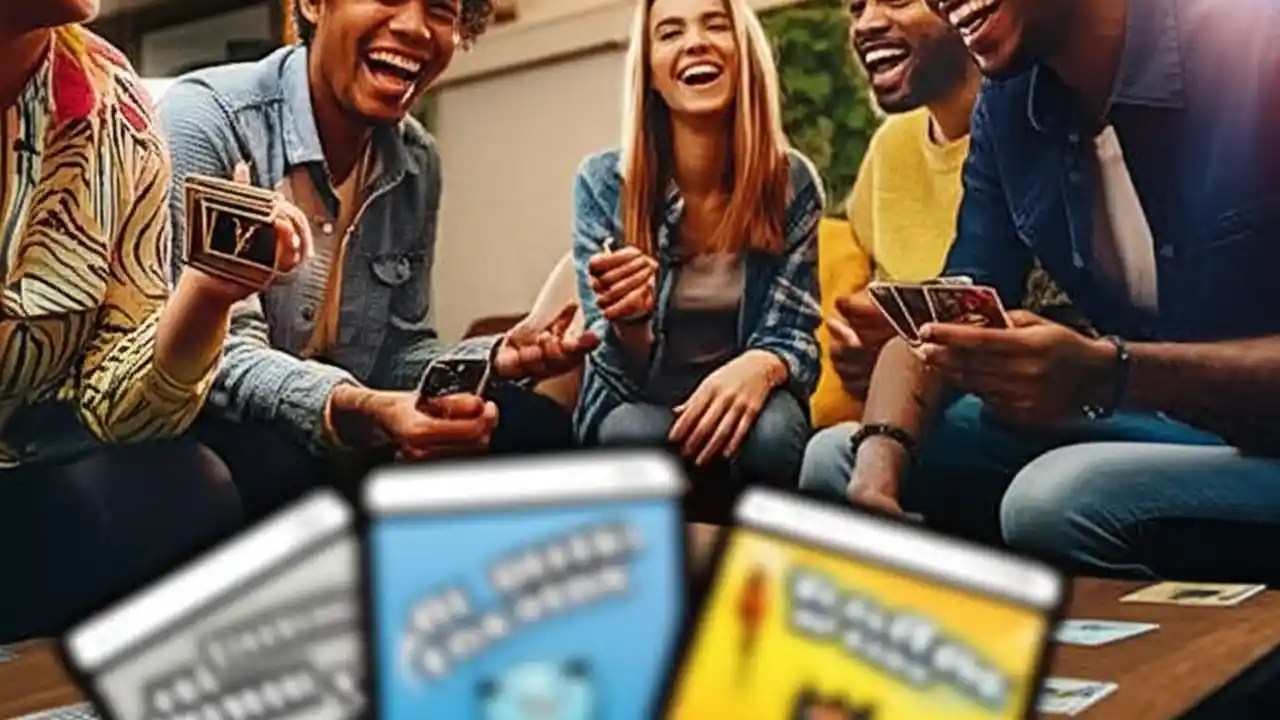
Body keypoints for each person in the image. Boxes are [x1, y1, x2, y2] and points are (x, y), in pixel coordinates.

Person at [803, 0, 1280, 580]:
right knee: (837, 460)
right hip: (1163, 426)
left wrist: (1112, 374)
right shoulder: (1008, 107)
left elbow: (1114, 377)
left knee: (1054, 500)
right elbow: (954, 305)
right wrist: (879, 462)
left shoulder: (1256, 43)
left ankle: (1204, 664)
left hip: (1258, 441)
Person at [158, 0, 598, 515]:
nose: (414, 27)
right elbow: (220, 360)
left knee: (530, 425)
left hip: (349, 416)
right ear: (313, 5)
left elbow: (397, 350)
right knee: (280, 467)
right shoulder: (209, 120)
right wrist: (363, 408)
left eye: (440, 8)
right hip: (213, 419)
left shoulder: (416, 161)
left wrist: (495, 357)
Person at [0, 1, 307, 640]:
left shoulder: (117, 108)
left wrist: (209, 290)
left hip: (19, 473)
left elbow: (113, 402)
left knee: (189, 489)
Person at [802, 0, 1081, 496]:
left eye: (897, 0)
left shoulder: (1039, 126)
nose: (865, 24)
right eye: (855, 8)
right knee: (831, 455)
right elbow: (884, 305)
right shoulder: (890, 151)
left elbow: (1050, 336)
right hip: (930, 399)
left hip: (1048, 407)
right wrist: (861, 346)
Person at [572, 0, 825, 505]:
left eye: (715, 24)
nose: (695, 42)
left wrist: (762, 364)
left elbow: (793, 334)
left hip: (748, 409)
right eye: (669, 33)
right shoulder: (604, 184)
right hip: (642, 404)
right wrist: (631, 322)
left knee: (774, 431)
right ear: (651, 75)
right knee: (627, 435)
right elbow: (607, 360)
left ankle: (754, 563)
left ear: (744, 54)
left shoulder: (790, 184)